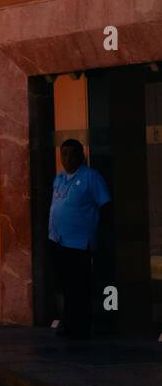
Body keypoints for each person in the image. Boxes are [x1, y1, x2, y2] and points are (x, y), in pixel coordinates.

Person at [49, 138, 111, 339]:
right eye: (63, 154)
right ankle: (69, 323)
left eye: (71, 154)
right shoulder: (59, 178)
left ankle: (82, 327)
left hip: (80, 244)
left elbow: (106, 205)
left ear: (81, 156)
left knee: (80, 287)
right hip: (59, 242)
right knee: (67, 286)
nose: (67, 159)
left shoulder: (91, 177)